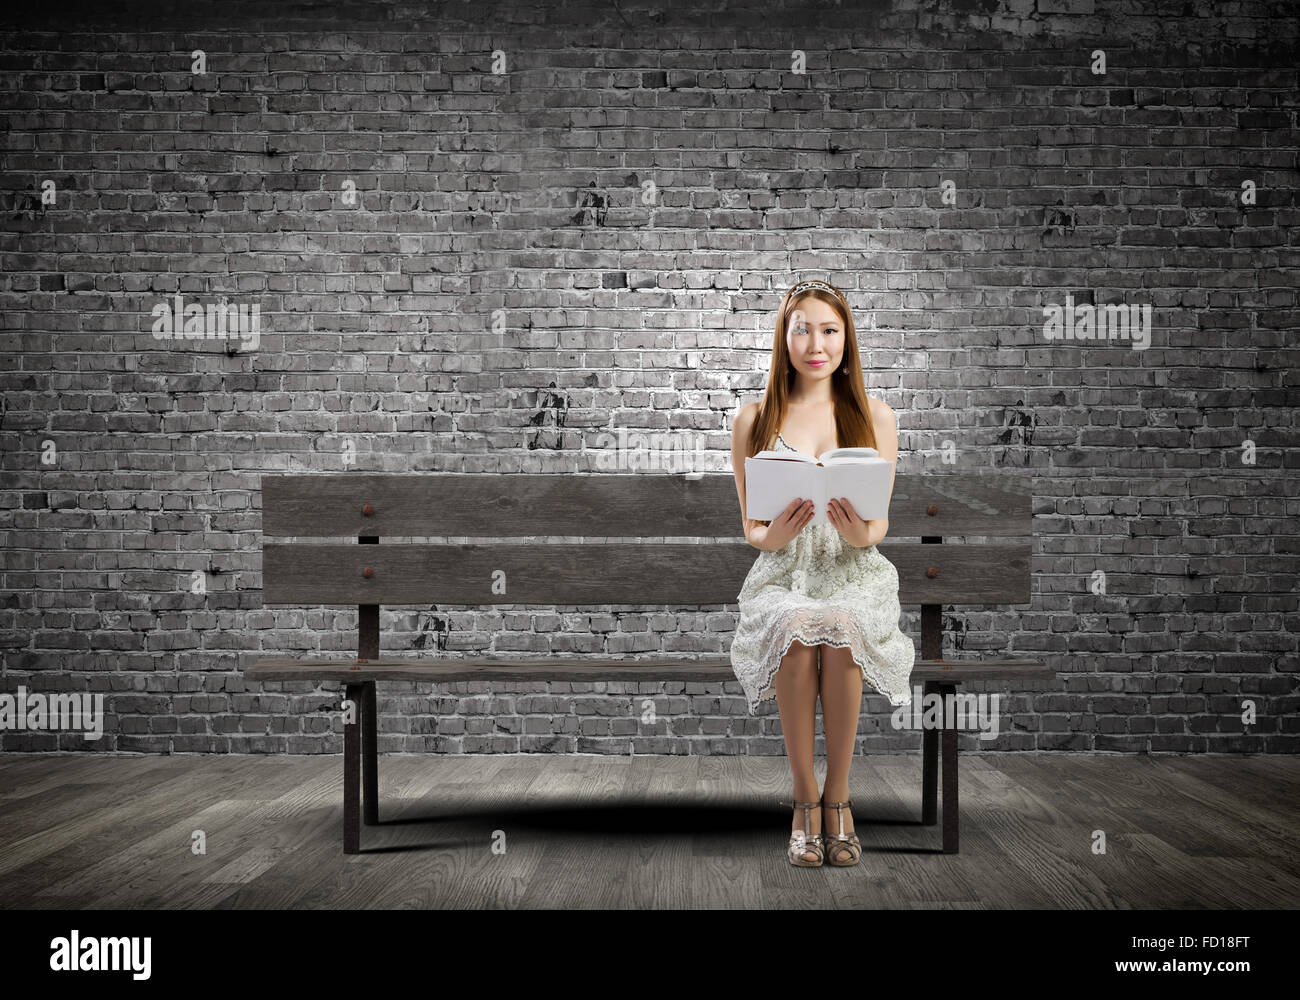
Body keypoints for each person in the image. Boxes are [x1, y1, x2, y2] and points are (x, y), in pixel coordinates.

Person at [728, 278, 915, 868]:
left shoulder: (874, 416)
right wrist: (771, 536)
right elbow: (752, 528)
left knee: (838, 621)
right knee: (798, 621)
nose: (816, 343)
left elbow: (876, 526)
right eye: (802, 328)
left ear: (846, 339)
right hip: (785, 574)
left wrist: (861, 533)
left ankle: (839, 797)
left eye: (829, 330)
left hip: (853, 570)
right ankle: (805, 800)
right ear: (783, 338)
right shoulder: (754, 419)